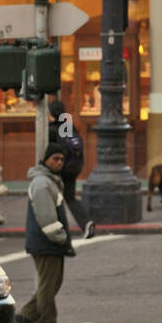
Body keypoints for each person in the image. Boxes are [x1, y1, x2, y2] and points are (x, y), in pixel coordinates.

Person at [13, 141, 75, 323]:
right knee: (48, 286)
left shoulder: (49, 181)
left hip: (47, 242)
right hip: (46, 242)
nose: (59, 162)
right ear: (46, 160)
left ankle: (26, 318)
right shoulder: (42, 183)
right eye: (55, 158)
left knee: (52, 284)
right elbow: (46, 217)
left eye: (62, 159)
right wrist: (61, 238)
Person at [49, 98, 94, 240]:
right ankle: (86, 223)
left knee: (53, 198)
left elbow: (51, 152)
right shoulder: (69, 124)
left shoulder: (51, 129)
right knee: (69, 197)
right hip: (73, 167)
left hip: (60, 169)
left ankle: (57, 228)